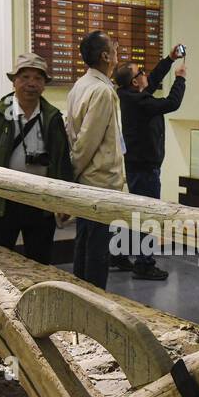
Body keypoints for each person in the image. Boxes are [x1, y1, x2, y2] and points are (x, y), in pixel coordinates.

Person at [0, 53, 71, 265]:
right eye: (25, 77)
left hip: (40, 200)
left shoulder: (52, 117)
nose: (31, 84)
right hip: (4, 201)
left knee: (40, 261)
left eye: (38, 78)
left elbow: (62, 159)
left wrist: (65, 203)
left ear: (44, 84)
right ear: (14, 81)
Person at [113, 45, 187, 279]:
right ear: (135, 82)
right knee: (148, 215)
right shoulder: (140, 102)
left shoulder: (132, 96)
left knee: (136, 212)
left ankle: (119, 254)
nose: (145, 74)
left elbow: (152, 79)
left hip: (139, 165)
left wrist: (170, 59)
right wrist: (180, 80)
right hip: (145, 167)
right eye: (140, 71)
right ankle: (144, 263)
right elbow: (171, 103)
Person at [66, 31, 123, 290]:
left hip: (88, 182)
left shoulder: (81, 85)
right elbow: (87, 141)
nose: (117, 53)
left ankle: (81, 304)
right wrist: (75, 173)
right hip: (99, 183)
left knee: (84, 246)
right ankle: (94, 308)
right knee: (97, 255)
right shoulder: (102, 91)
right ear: (105, 56)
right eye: (114, 48)